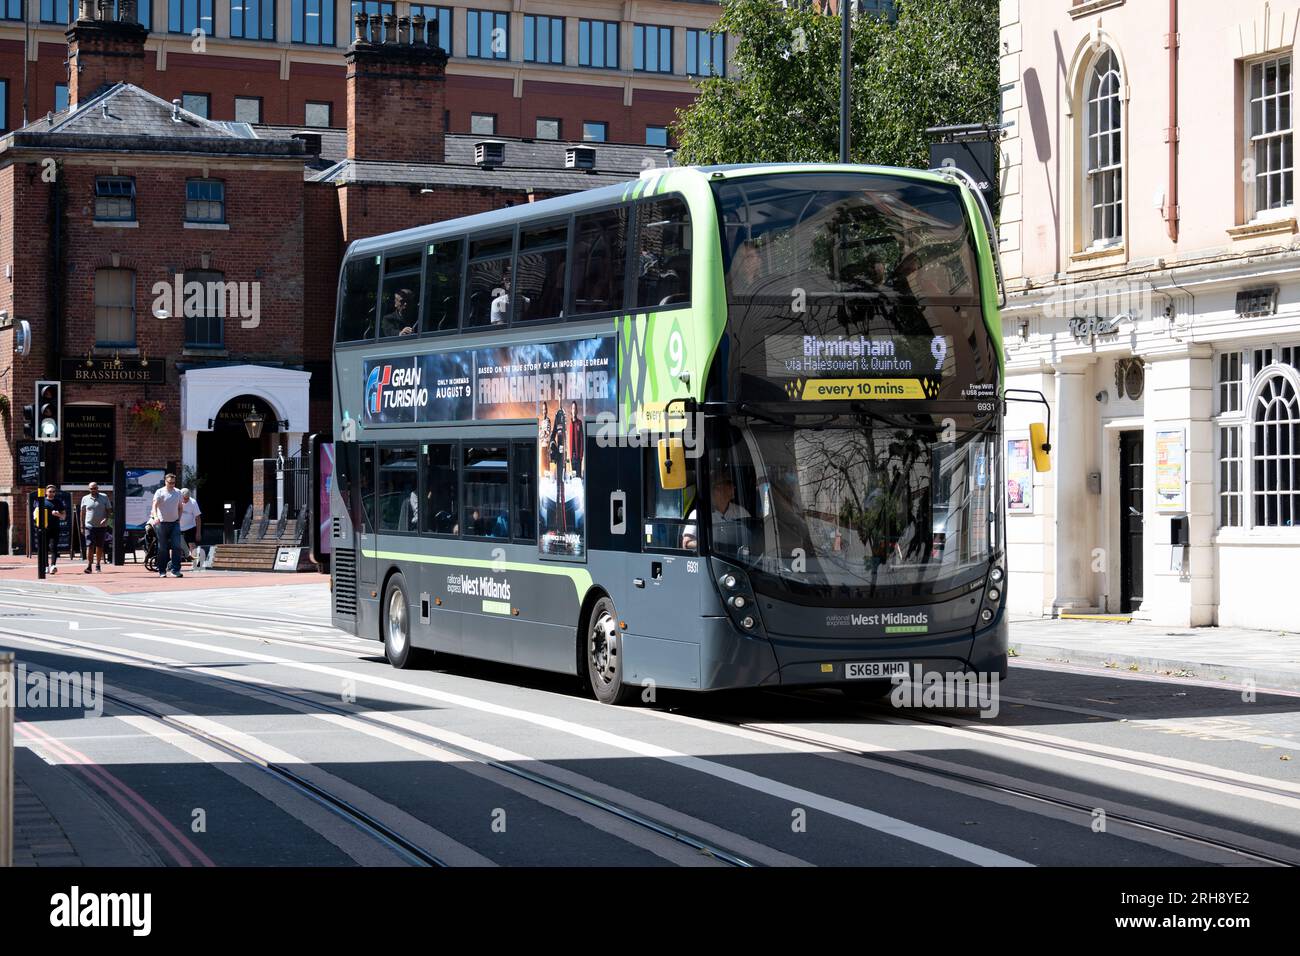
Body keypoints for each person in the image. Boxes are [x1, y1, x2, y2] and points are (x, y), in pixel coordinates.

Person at [150, 473, 186, 578]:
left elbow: (180, 507)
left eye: (173, 483)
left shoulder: (178, 492)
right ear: (165, 481)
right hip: (162, 523)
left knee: (177, 546)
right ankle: (162, 570)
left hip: (174, 523)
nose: (171, 485)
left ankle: (175, 570)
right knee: (162, 548)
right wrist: (156, 517)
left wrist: (179, 519)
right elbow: (154, 505)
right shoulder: (160, 492)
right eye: (170, 482)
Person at [80, 482, 113, 573]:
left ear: (98, 488)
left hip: (101, 526)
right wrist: (82, 526)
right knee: (89, 546)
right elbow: (82, 513)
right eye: (91, 488)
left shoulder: (104, 497)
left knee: (99, 546)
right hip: (89, 526)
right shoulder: (85, 498)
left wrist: (106, 518)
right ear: (89, 489)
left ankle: (98, 564)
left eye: (94, 488)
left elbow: (109, 511)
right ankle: (89, 566)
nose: (93, 490)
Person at [33, 484, 66, 574]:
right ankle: (46, 566)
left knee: (53, 547)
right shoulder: (41, 501)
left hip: (55, 527)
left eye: (53, 492)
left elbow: (63, 516)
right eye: (50, 491)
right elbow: (35, 514)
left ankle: (53, 565)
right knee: (44, 548)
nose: (51, 493)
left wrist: (58, 514)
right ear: (46, 492)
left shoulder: (58, 502)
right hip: (44, 528)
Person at [179, 488, 203, 560]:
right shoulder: (177, 501)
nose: (186, 500)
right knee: (177, 545)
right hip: (178, 527)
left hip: (190, 527)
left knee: (192, 545)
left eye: (187, 498)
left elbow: (198, 518)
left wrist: (198, 533)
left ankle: (196, 562)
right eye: (184, 498)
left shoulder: (193, 502)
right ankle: (176, 562)